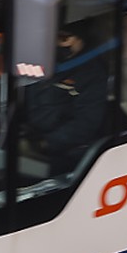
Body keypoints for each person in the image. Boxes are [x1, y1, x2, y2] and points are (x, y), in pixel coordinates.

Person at [21, 20, 109, 177]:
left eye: (64, 38)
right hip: (27, 135)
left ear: (81, 38)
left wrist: (42, 144)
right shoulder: (43, 61)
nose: (58, 44)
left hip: (62, 154)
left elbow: (85, 125)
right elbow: (19, 86)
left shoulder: (92, 74)